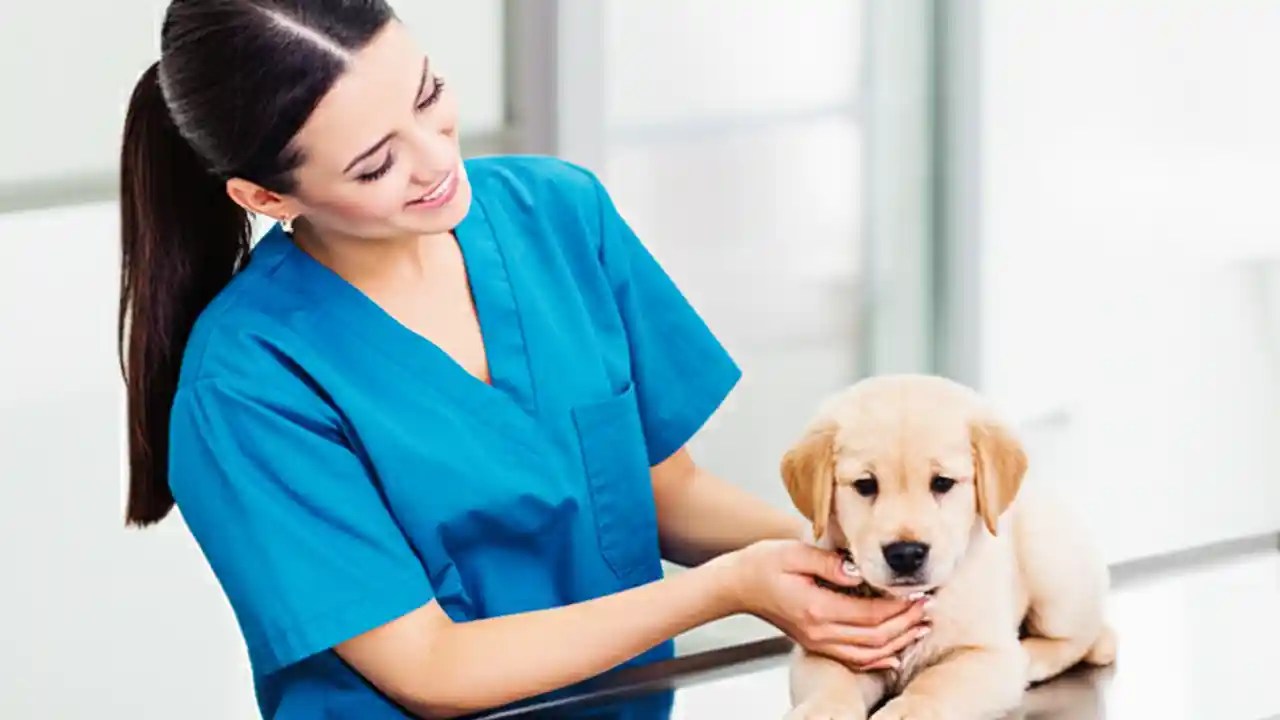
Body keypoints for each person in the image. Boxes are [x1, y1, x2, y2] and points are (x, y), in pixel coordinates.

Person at [117, 2, 931, 718]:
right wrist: (728, 588)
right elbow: (429, 669)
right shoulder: (248, 384)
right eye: (375, 163)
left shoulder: (559, 214)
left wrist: (867, 558)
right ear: (267, 197)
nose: (436, 161)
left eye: (429, 96)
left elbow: (660, 489)